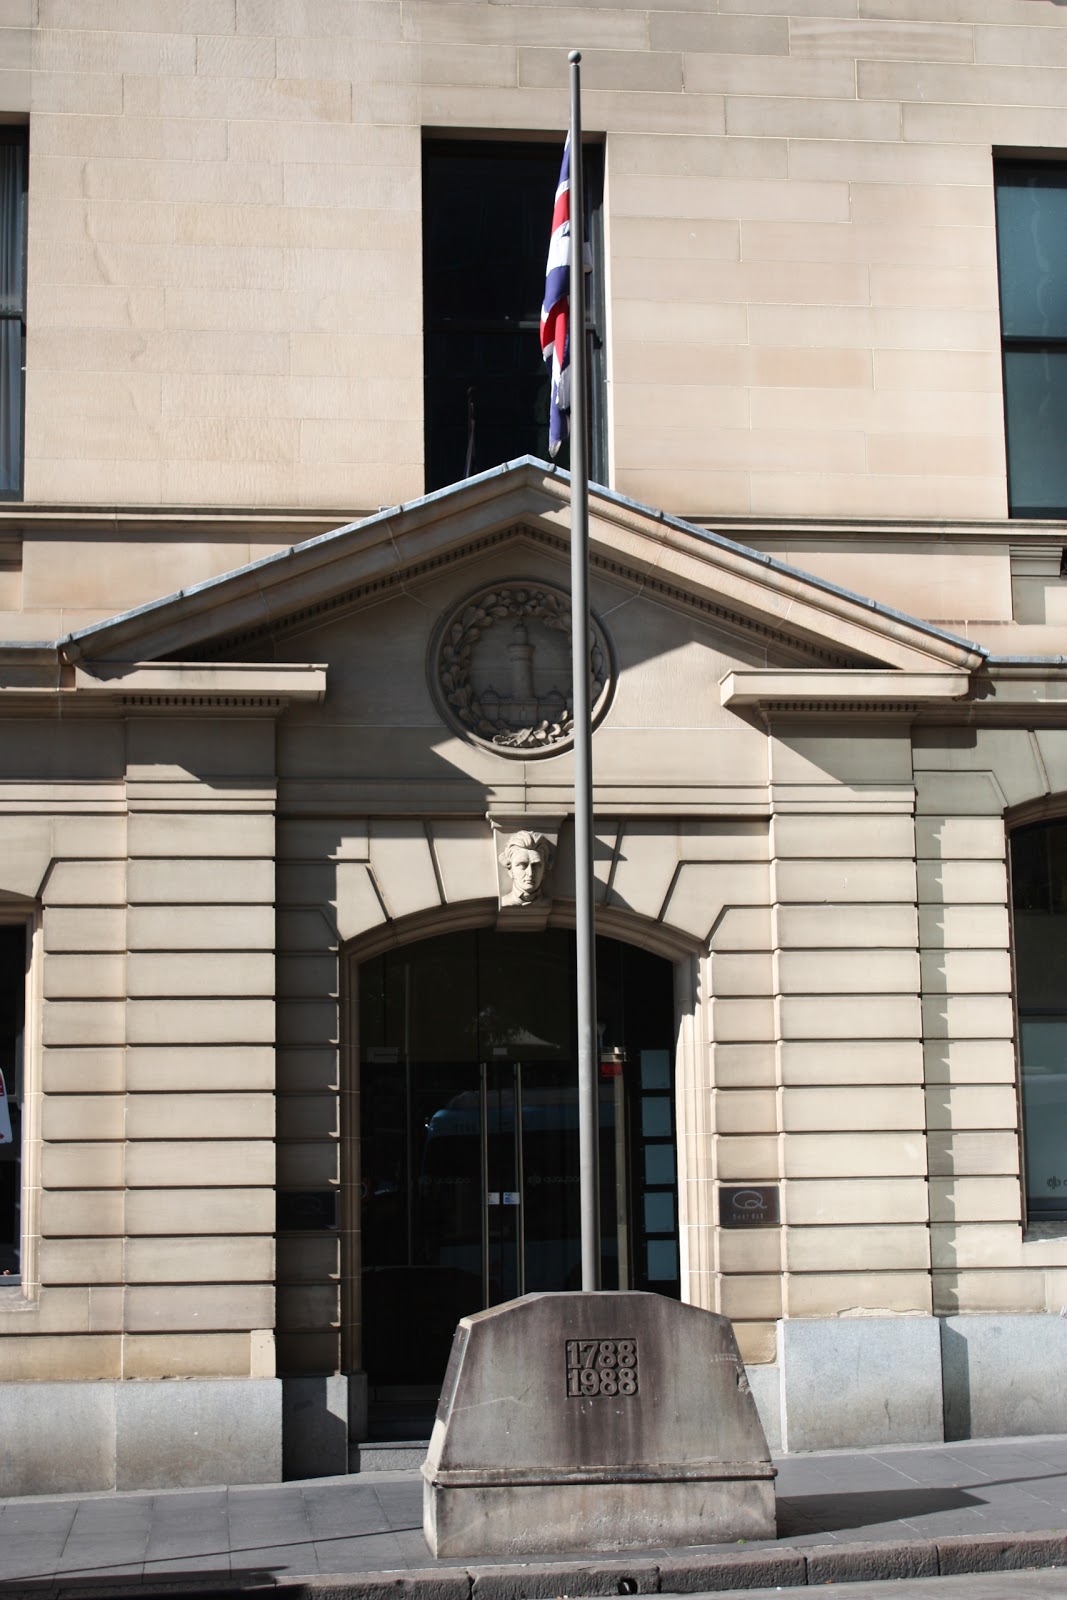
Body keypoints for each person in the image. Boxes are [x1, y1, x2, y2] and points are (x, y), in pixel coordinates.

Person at [499, 831, 553, 906]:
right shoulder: (505, 902)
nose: (530, 873)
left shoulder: (548, 903)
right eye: (522, 865)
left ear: (544, 871)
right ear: (511, 871)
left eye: (536, 865)